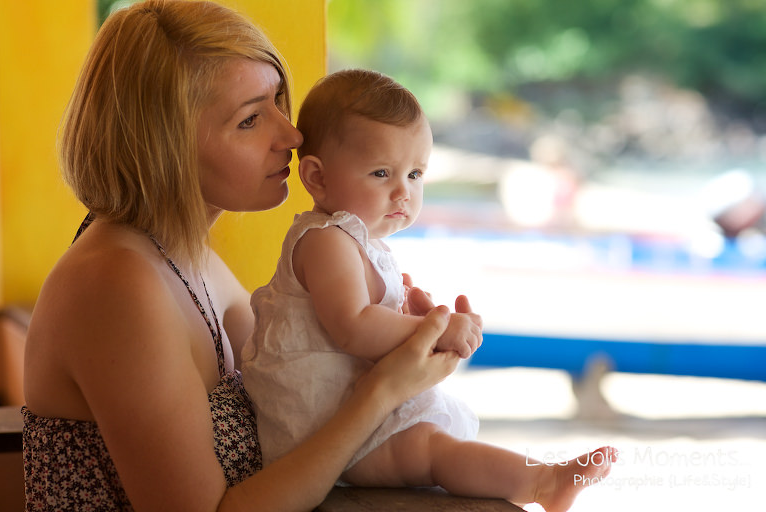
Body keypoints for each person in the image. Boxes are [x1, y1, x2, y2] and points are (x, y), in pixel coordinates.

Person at [21, 2, 462, 511]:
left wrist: (401, 332)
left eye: (278, 99)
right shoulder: (116, 284)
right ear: (166, 145)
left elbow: (300, 385)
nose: (292, 135)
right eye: (251, 119)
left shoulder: (183, 256)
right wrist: (381, 393)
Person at [242, 69, 617, 511]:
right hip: (318, 428)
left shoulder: (359, 240)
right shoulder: (326, 240)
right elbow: (353, 328)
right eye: (382, 173)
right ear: (318, 178)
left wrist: (413, 317)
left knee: (434, 445)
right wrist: (432, 331)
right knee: (432, 452)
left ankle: (542, 480)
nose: (403, 192)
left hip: (351, 410)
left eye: (416, 174)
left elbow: (366, 327)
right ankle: (543, 482)